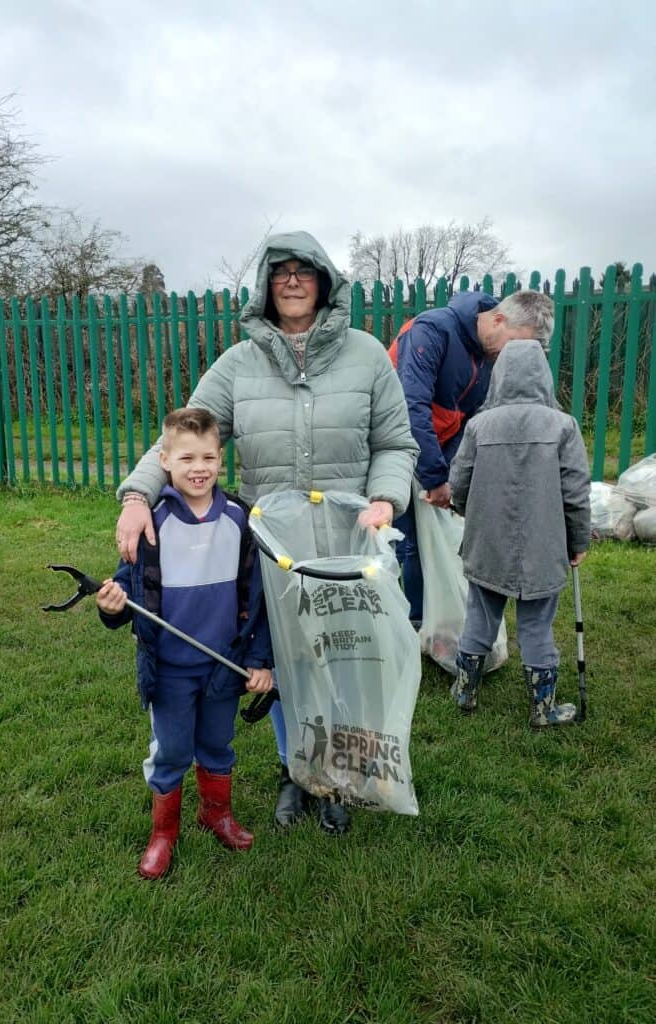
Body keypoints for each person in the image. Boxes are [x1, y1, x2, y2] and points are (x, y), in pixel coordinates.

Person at [114, 229, 419, 835]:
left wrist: (386, 498)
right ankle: (293, 769)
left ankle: (336, 776)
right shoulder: (237, 364)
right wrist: (135, 495)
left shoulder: (365, 356)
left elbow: (394, 443)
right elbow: (182, 437)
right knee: (281, 661)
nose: (293, 281)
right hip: (267, 555)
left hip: (343, 544)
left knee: (339, 660)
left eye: (305, 270)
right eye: (280, 272)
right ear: (266, 285)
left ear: (324, 280)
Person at [97, 407, 274, 880]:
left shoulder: (240, 520)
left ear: (222, 460)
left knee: (218, 743)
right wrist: (112, 605)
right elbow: (125, 588)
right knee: (172, 748)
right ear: (164, 461)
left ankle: (215, 813)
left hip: (225, 668)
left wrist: (259, 660)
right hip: (171, 669)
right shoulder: (151, 523)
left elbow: (259, 601)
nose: (200, 468)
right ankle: (164, 833)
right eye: (187, 457)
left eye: (210, 457)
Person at [389, 289, 556, 627]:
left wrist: (452, 473)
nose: (513, 356)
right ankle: (402, 623)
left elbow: (468, 420)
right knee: (401, 539)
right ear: (498, 320)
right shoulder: (431, 330)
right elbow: (410, 407)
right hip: (390, 446)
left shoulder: (488, 355)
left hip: (431, 450)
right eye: (514, 344)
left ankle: (428, 623)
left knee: (426, 543)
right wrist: (436, 477)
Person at [448, 340, 591, 727]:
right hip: (543, 546)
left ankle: (465, 692)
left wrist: (466, 511)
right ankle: (542, 710)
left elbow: (458, 482)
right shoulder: (563, 426)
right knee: (537, 625)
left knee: (479, 615)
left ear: (500, 377)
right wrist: (577, 541)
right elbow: (575, 492)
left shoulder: (478, 425)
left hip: (487, 542)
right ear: (542, 377)